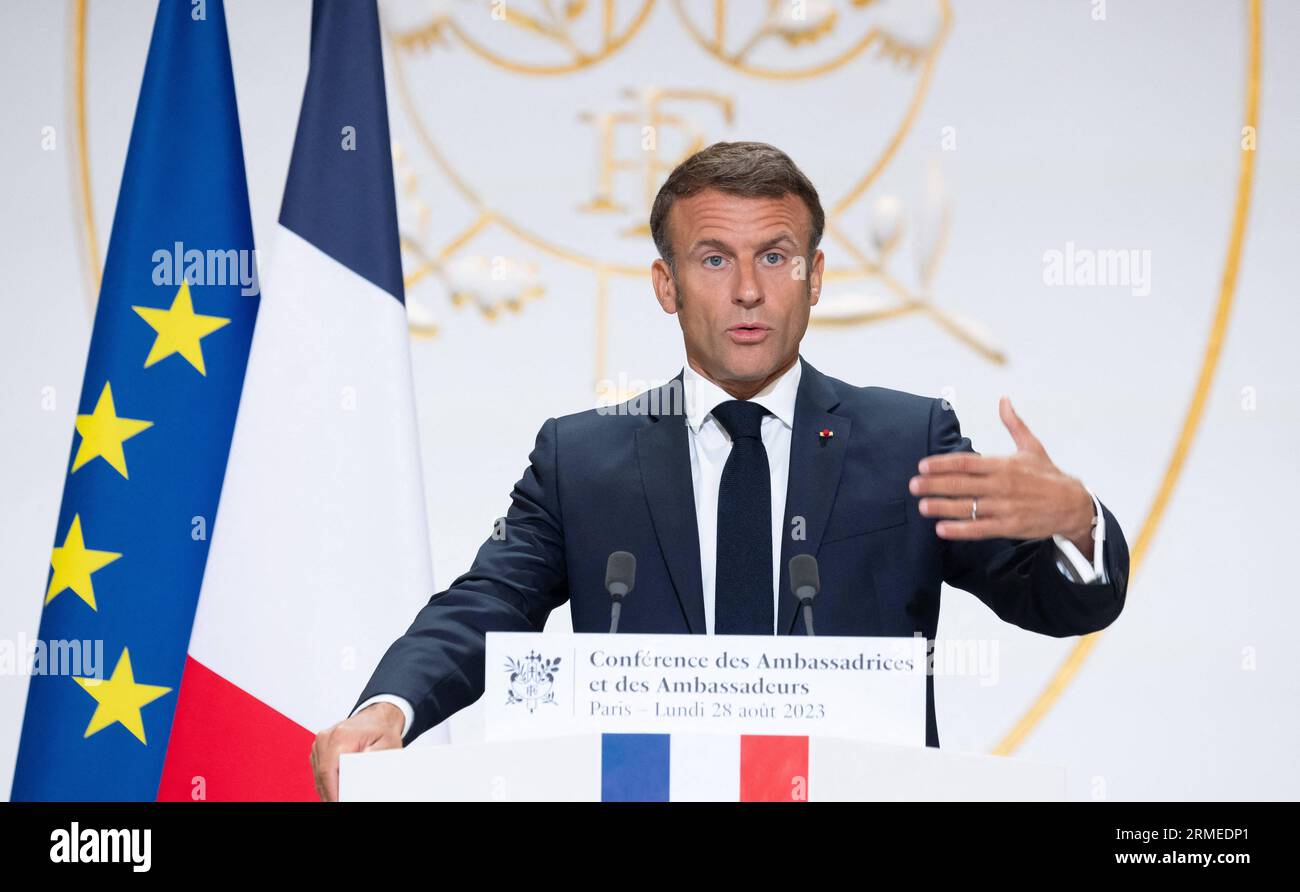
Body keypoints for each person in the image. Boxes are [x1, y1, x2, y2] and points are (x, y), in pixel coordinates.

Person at [310, 141, 1128, 801]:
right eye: (712, 259)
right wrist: (391, 706)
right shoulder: (584, 457)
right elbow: (489, 602)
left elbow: (1054, 604)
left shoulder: (905, 437)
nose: (746, 290)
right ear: (666, 284)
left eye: (776, 257)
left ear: (816, 277)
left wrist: (1076, 524)